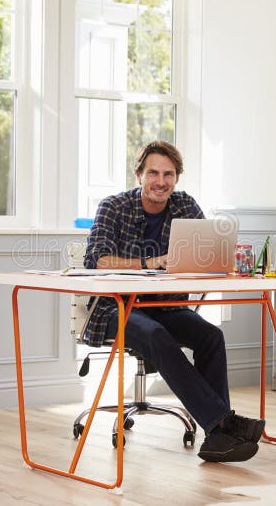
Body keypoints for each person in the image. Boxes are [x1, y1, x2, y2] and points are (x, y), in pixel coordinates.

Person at [83, 140, 265, 463]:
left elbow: (208, 253)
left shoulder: (185, 206)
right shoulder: (113, 206)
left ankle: (217, 436)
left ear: (177, 178)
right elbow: (98, 260)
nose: (161, 181)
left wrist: (225, 262)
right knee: (155, 335)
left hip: (165, 306)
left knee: (211, 336)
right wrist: (150, 263)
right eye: (153, 173)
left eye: (168, 174)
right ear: (139, 175)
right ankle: (222, 423)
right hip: (116, 308)